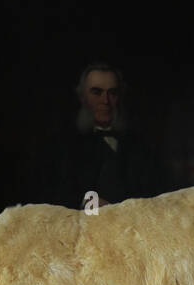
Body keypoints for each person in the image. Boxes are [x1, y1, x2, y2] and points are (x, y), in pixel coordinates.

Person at [49, 62, 168, 210]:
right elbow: (55, 194)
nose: (105, 101)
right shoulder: (64, 146)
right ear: (82, 97)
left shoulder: (140, 146)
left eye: (112, 93)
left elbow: (156, 193)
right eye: (96, 92)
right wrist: (87, 202)